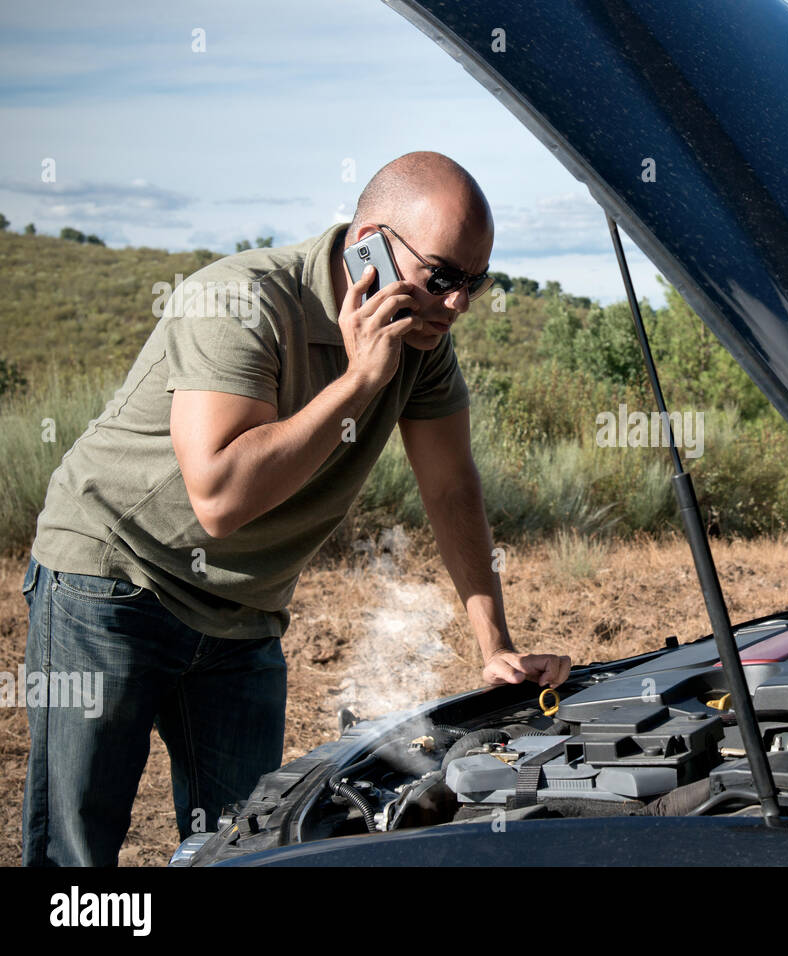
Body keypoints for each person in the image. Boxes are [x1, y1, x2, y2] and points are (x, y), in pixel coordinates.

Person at [21, 151, 571, 866]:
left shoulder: (422, 338)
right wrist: (361, 380)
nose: (458, 303)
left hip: (243, 613)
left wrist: (493, 643)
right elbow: (220, 498)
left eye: (475, 282)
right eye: (442, 276)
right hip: (113, 579)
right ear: (370, 240)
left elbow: (450, 487)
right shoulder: (239, 301)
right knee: (77, 850)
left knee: (248, 845)